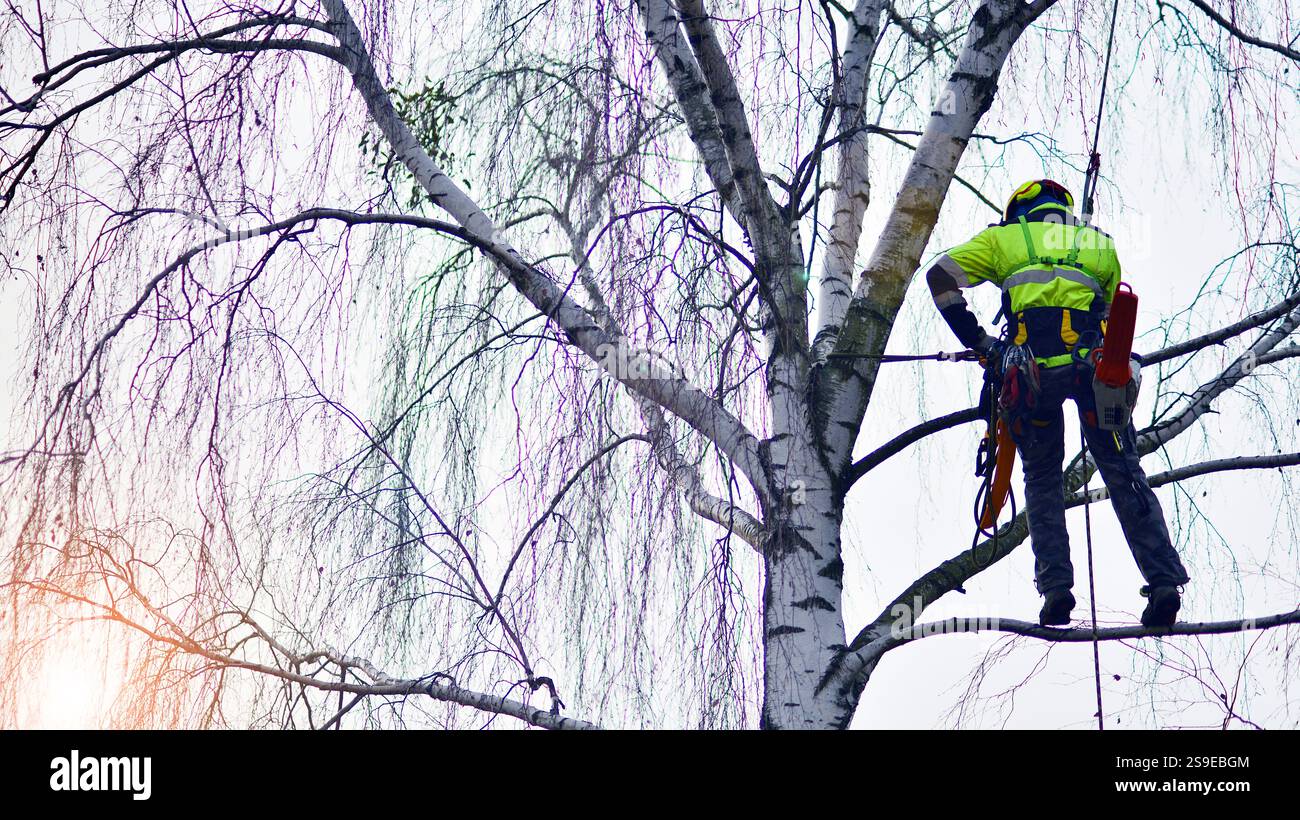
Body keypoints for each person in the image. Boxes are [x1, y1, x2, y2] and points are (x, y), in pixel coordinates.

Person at [924, 179, 1190, 627]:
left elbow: (940, 277)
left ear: (1017, 211)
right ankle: (1164, 582)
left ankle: (1056, 592)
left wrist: (985, 345)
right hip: (1096, 372)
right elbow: (1108, 317)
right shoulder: (1099, 244)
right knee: (1124, 472)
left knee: (1044, 481)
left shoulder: (1001, 238)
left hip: (1031, 377)